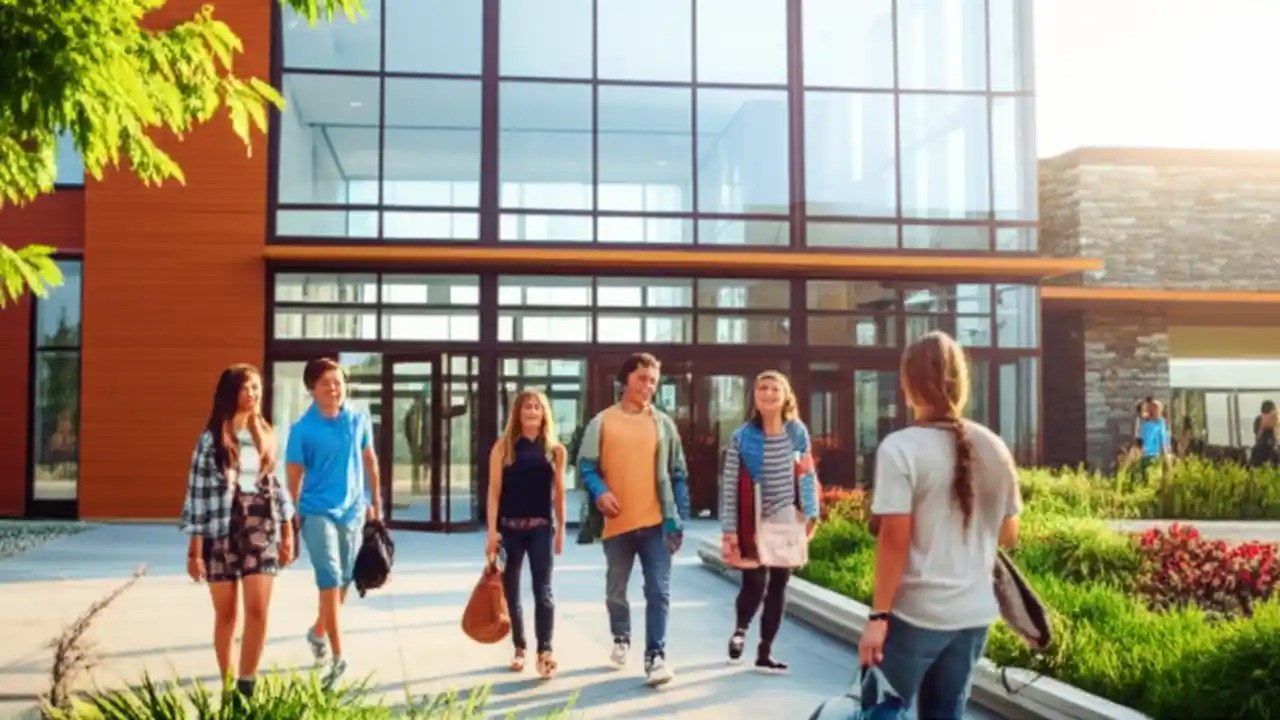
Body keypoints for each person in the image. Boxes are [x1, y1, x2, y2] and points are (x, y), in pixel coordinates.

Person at [857, 331, 1022, 718]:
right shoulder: (994, 446)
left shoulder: (901, 448)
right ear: (962, 382)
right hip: (973, 614)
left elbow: (895, 541)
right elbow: (1009, 535)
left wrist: (878, 618)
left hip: (917, 612)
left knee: (881, 708)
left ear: (908, 383)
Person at [180, 364, 296, 697]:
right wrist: (195, 549)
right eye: (246, 388)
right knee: (227, 614)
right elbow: (197, 495)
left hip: (262, 523)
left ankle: (247, 684)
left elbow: (278, 486)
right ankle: (228, 684)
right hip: (220, 526)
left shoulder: (266, 433)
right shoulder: (211, 439)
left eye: (257, 388)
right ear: (231, 393)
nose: (253, 394)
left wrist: (288, 532)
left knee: (258, 609)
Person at [578, 352, 690, 686]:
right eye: (642, 378)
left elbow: (678, 473)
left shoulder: (663, 424)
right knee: (616, 591)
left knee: (659, 591)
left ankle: (655, 656)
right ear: (626, 379)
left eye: (653, 381)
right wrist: (600, 491)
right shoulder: (603, 422)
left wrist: (678, 517)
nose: (648, 386)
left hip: (656, 523)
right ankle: (621, 636)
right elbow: (585, 466)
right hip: (618, 526)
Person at [286, 357, 382, 689]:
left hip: (353, 510)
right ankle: (338, 656)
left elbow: (370, 461)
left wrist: (375, 504)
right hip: (316, 511)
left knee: (343, 579)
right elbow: (294, 478)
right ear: (312, 388)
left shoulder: (358, 420)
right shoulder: (302, 430)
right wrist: (292, 521)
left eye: (339, 381)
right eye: (327, 382)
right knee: (328, 576)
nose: (334, 387)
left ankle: (317, 632)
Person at [720, 370, 820, 674]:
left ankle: (765, 651)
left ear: (785, 395)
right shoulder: (743, 436)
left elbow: (805, 473)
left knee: (779, 582)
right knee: (755, 581)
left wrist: (811, 514)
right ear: (755, 396)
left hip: (787, 516)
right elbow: (730, 486)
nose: (768, 394)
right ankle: (740, 630)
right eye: (762, 388)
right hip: (754, 518)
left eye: (774, 389)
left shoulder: (797, 432)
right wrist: (729, 530)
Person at [485, 389, 567, 679]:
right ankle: (519, 647)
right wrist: (492, 533)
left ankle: (545, 651)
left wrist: (561, 530)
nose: (532, 411)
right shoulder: (503, 447)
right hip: (510, 530)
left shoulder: (554, 450)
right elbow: (493, 493)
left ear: (544, 413)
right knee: (511, 592)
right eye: (526, 407)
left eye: (537, 407)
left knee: (543, 592)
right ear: (517, 413)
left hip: (541, 529)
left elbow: (559, 494)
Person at [1136, 399, 1171, 477]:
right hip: (1145, 456)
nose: (1153, 410)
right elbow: (1140, 440)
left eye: (1156, 409)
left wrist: (1165, 455)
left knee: (1155, 477)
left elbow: (1162, 440)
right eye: (1151, 408)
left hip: (1156, 456)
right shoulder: (1145, 424)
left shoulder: (1160, 423)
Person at [1250, 400, 1277, 467]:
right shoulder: (1258, 419)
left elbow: (1276, 436)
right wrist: (1263, 426)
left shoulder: (1275, 420)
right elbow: (1258, 436)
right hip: (1261, 449)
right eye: (1273, 409)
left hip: (1272, 449)